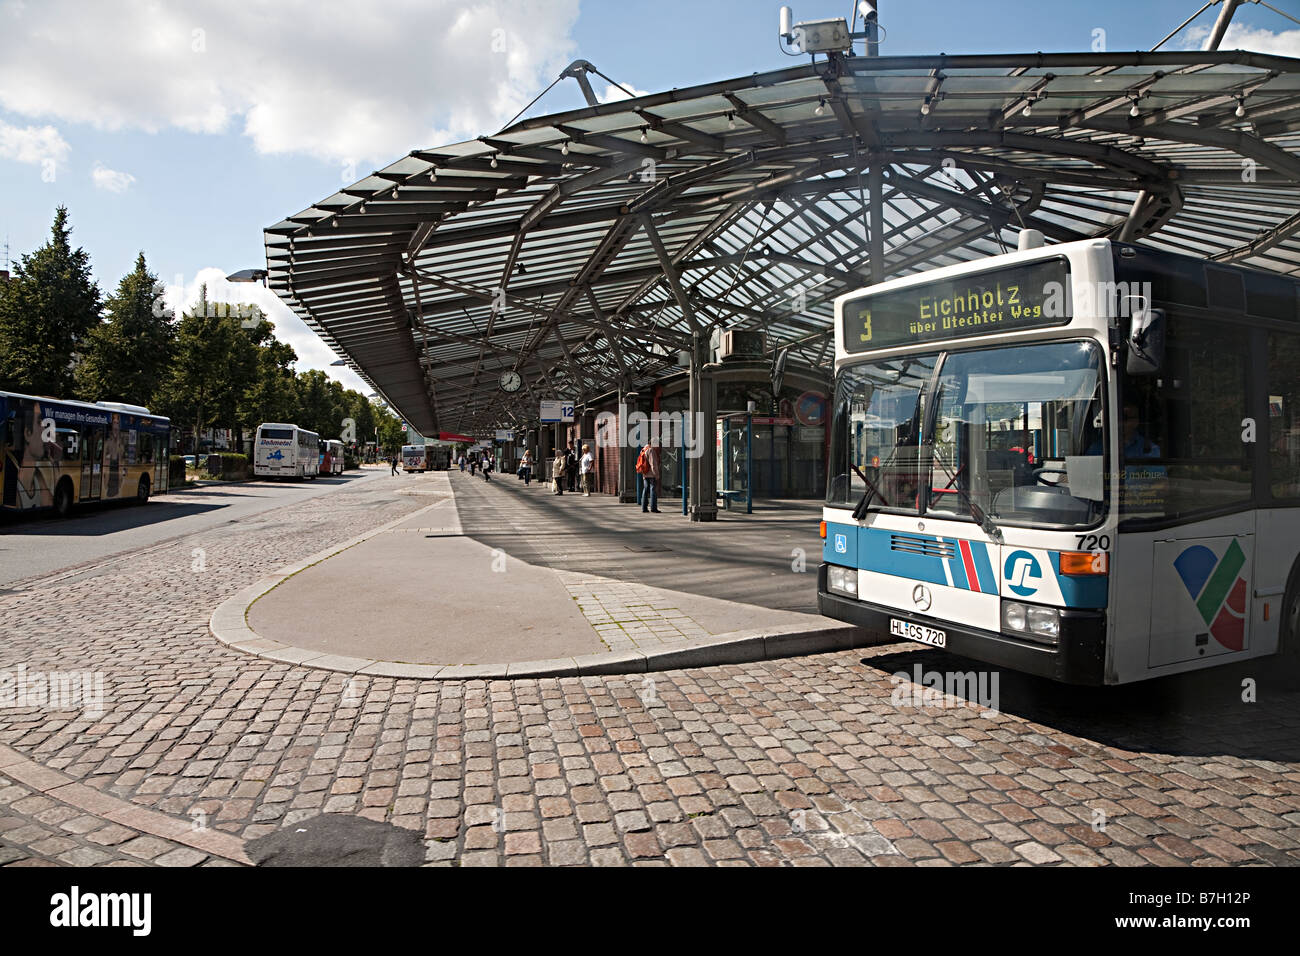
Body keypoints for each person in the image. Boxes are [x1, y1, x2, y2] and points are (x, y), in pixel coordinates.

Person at [637, 439, 661, 513]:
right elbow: (653, 464)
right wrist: (656, 475)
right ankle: (653, 508)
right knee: (653, 490)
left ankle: (644, 507)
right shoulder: (651, 450)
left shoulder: (644, 449)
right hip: (651, 474)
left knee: (645, 490)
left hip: (645, 473)